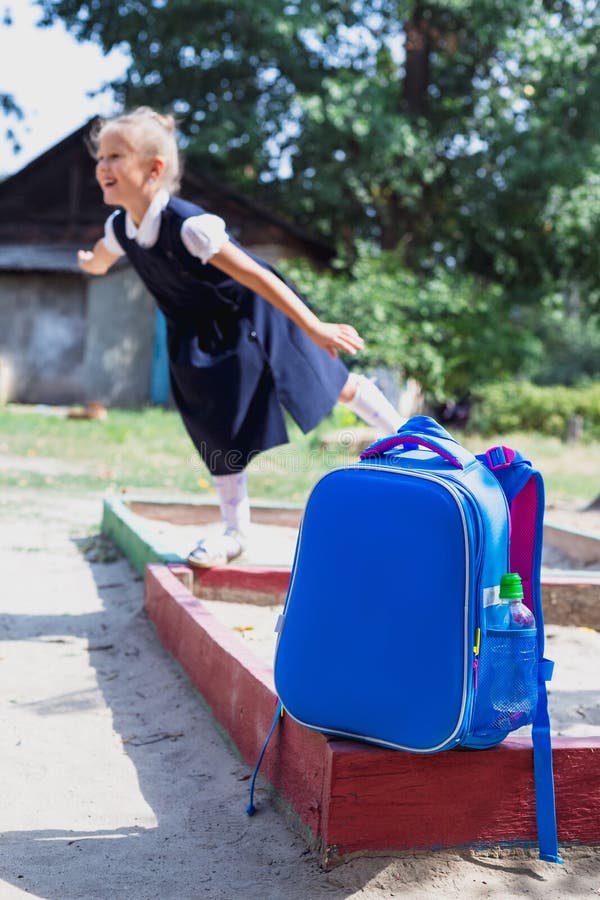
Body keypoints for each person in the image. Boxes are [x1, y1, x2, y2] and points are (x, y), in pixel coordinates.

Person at [79, 107, 403, 567]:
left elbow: (257, 276)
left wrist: (313, 326)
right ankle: (235, 533)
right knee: (214, 427)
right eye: (101, 157)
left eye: (116, 156)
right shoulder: (120, 228)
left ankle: (425, 444)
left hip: (256, 313)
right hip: (200, 336)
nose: (103, 167)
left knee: (333, 382)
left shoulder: (190, 226)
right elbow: (100, 258)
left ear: (154, 169)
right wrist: (88, 263)